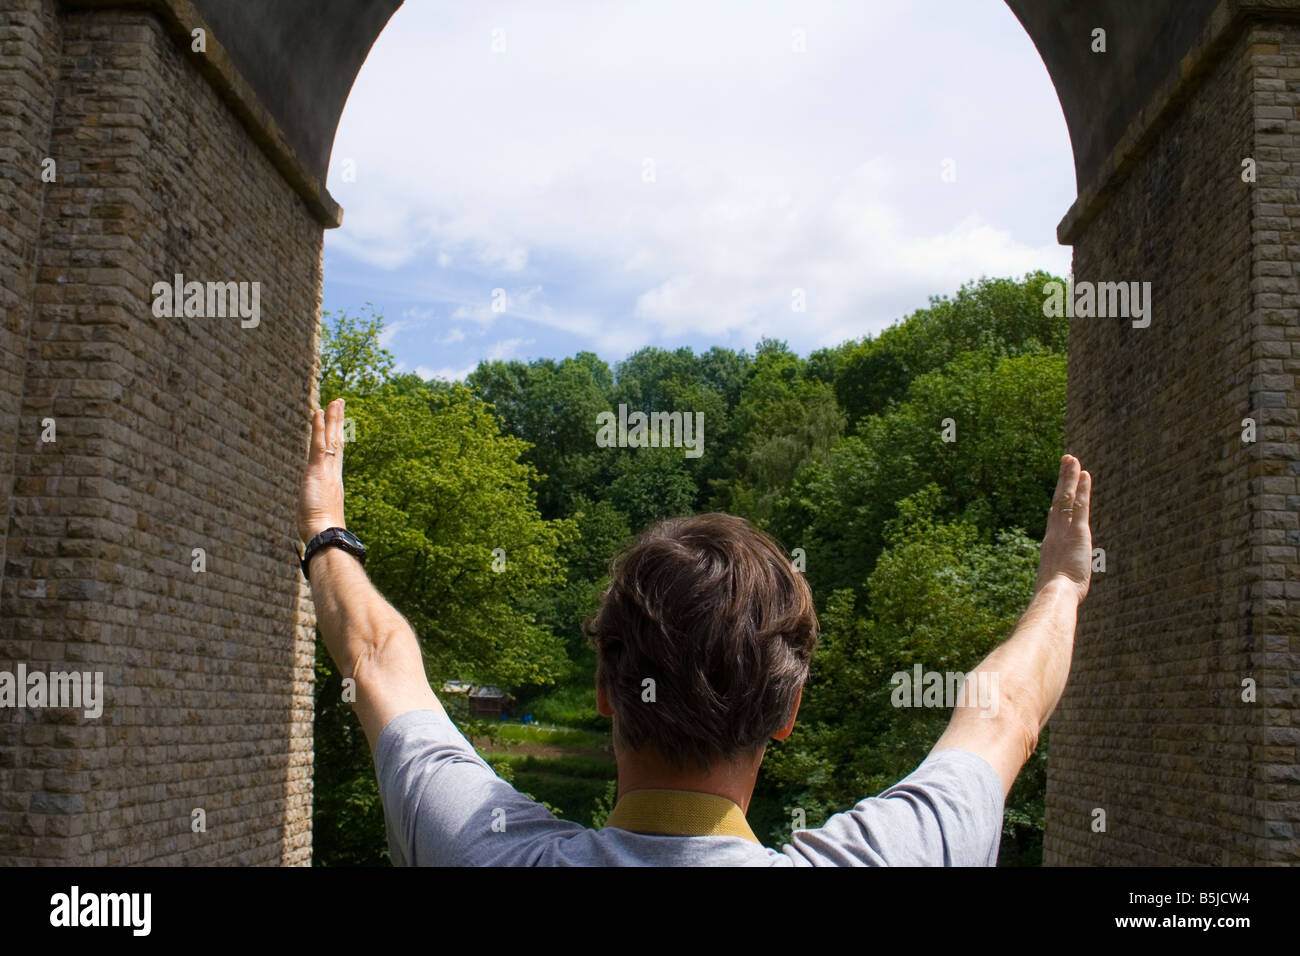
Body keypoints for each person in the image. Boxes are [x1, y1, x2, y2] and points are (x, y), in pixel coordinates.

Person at [299, 397, 1093, 865]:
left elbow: (377, 661)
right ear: (786, 713)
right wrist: (1061, 585)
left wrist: (326, 529)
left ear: (609, 694)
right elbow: (1006, 715)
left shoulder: (480, 850)